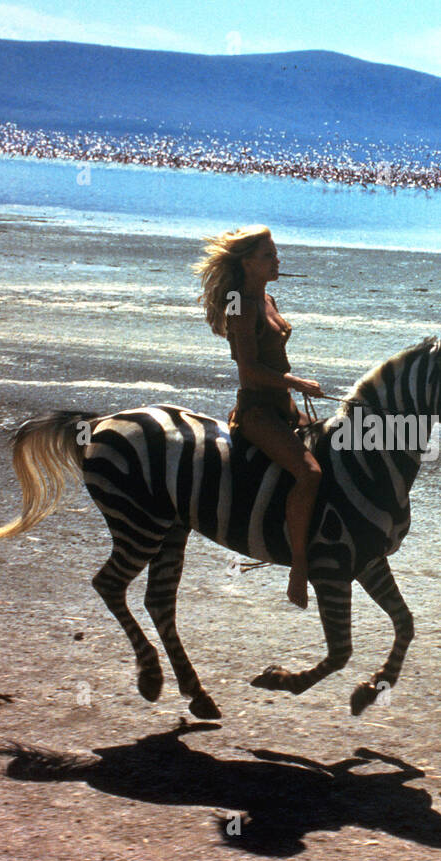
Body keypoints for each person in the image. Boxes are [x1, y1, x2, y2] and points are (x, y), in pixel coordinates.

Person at [192, 225, 324, 608]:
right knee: (309, 473)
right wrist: (297, 381)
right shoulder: (239, 304)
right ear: (247, 262)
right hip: (257, 411)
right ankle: (299, 568)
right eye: (268, 255)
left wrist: (293, 391)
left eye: (275, 253)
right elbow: (248, 370)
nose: (277, 260)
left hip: (283, 406)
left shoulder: (268, 298)